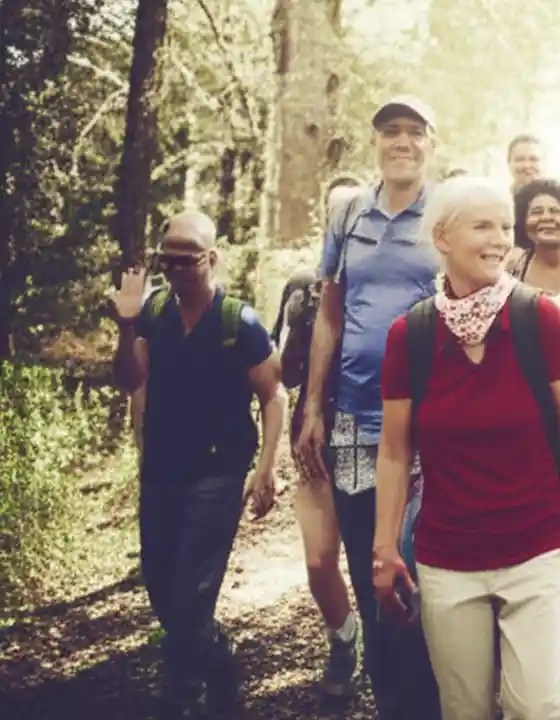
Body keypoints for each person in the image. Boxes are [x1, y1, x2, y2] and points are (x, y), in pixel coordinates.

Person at [367, 175, 560, 719]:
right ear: (443, 237)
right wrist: (384, 548)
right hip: (449, 557)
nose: (500, 239)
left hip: (538, 547)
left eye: (505, 226)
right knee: (466, 709)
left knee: (542, 707)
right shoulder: (413, 336)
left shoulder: (538, 317)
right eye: (483, 225)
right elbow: (395, 452)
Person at [293, 95, 442, 719]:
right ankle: (393, 704)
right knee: (369, 565)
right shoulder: (348, 213)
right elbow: (330, 313)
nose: (401, 141)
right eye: (390, 132)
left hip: (433, 427)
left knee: (422, 564)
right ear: (375, 142)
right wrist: (312, 407)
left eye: (413, 132)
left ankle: (438, 699)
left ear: (431, 144)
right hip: (356, 422)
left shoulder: (449, 214)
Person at [111, 210, 283, 717]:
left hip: (219, 469)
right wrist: (125, 327)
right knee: (160, 583)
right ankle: (217, 655)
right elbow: (128, 379)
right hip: (163, 468)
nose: (179, 271)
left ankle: (183, 695)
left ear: (212, 259)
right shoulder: (154, 314)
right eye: (169, 262)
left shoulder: (239, 322)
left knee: (193, 589)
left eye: (189, 261)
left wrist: (266, 467)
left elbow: (273, 395)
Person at [270, 173, 364, 698]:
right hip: (313, 432)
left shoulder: (391, 282)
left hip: (372, 432)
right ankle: (343, 636)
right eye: (336, 214)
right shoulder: (300, 283)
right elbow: (284, 374)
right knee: (317, 559)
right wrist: (302, 324)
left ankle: (397, 656)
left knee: (377, 551)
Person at [505, 177, 560, 315]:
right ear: (523, 222)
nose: (546, 217)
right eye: (536, 212)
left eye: (554, 211)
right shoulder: (511, 270)